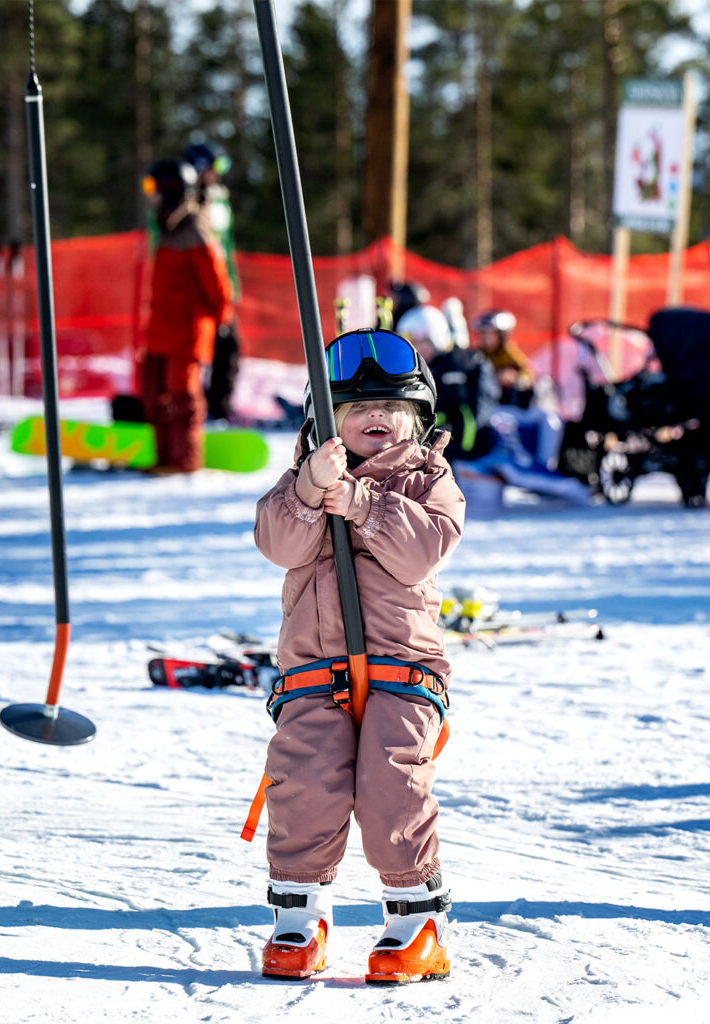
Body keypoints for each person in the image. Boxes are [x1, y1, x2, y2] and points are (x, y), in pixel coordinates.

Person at [252, 327, 463, 982]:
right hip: (314, 673)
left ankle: (416, 927)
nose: (377, 418)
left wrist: (363, 503)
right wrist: (312, 490)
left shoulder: (432, 482)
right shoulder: (303, 481)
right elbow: (279, 544)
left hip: (403, 672)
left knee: (391, 789)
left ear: (418, 421)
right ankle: (299, 921)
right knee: (303, 786)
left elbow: (423, 551)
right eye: (358, 409)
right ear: (327, 422)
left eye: (392, 409)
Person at [140, 157, 233, 473]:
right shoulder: (167, 226)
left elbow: (216, 278)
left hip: (187, 328)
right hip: (161, 327)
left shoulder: (194, 225)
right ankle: (164, 457)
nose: (149, 195)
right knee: (153, 390)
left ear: (170, 189)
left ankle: (184, 460)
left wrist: (222, 316)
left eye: (153, 187)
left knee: (182, 394)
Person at [183, 140, 242, 421]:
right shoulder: (184, 202)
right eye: (214, 167)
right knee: (191, 352)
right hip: (193, 293)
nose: (217, 174)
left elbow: (224, 248)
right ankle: (192, 405)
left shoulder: (220, 201)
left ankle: (218, 406)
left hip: (220, 288)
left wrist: (231, 286)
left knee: (228, 349)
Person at [398, 303, 500, 464]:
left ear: (434, 338)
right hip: (430, 454)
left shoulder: (466, 363)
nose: (414, 349)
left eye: (418, 341)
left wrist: (464, 449)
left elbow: (479, 410)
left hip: (466, 455)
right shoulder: (417, 370)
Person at [471, 308, 564, 469]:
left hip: (514, 407)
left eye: (490, 334)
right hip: (492, 409)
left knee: (551, 420)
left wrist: (515, 378)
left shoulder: (509, 353)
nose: (485, 338)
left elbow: (527, 374)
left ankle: (544, 467)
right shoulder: (477, 357)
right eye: (483, 334)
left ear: (502, 335)